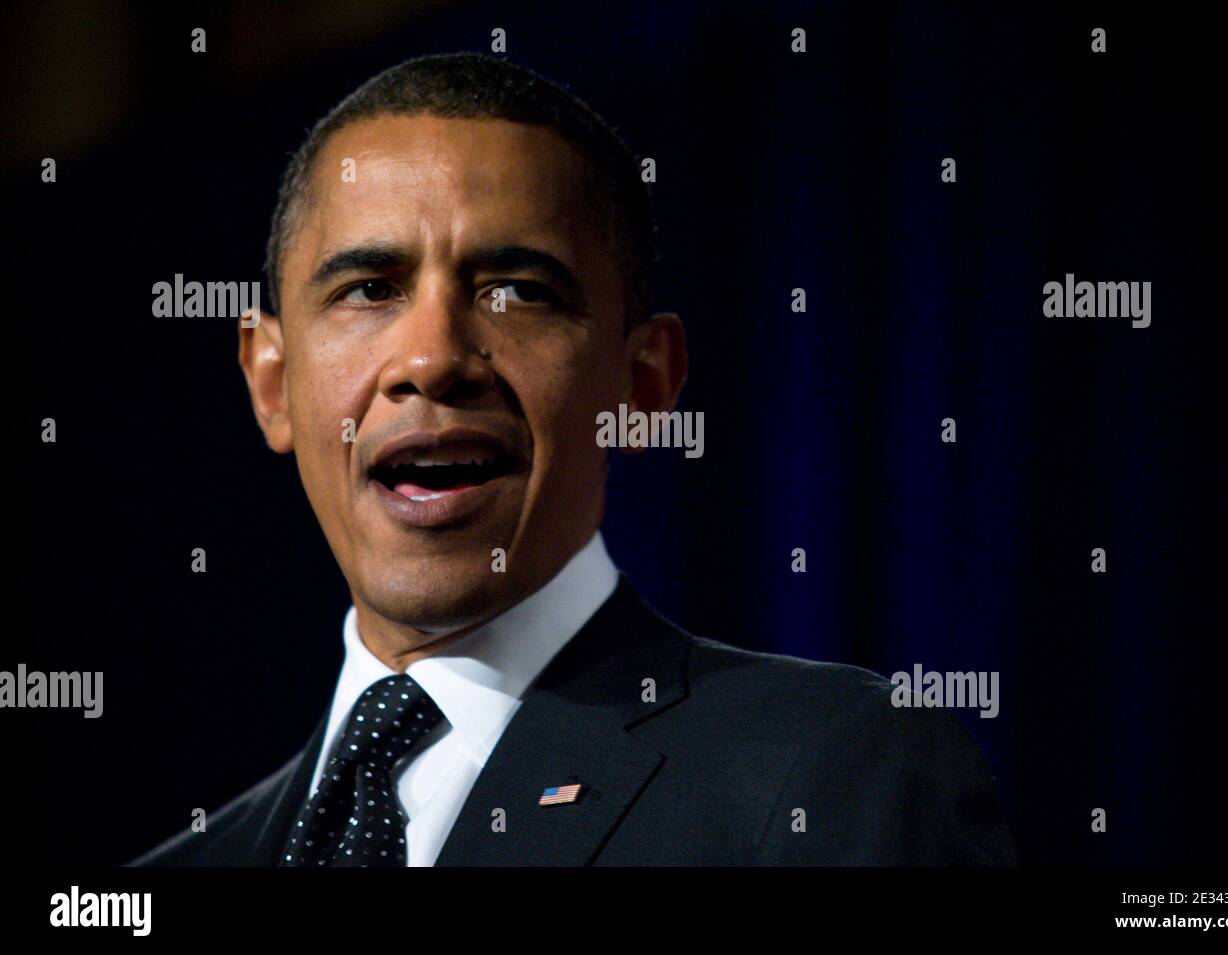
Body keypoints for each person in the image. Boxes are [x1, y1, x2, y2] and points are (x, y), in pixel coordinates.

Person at [130, 52, 1016, 867]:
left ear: (642, 383)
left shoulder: (834, 776)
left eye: (515, 291)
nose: (433, 357)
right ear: (271, 384)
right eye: (369, 290)